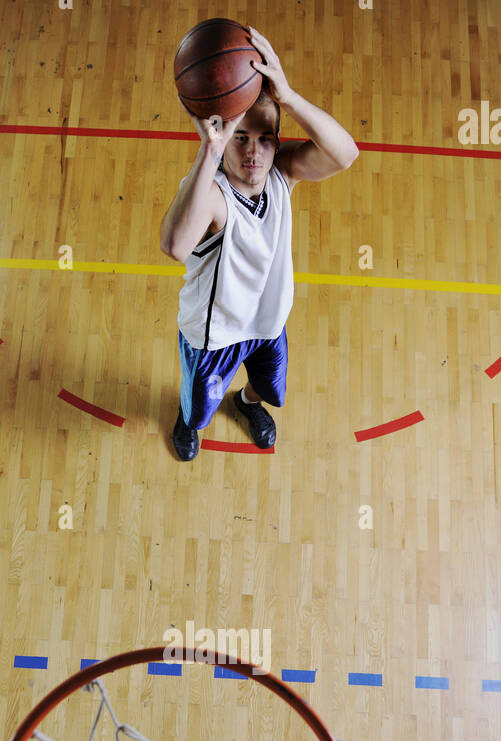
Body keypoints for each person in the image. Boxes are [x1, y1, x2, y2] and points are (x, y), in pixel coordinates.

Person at [160, 26, 358, 461]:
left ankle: (246, 403)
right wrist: (209, 150)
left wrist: (286, 96)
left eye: (265, 139)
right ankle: (188, 417)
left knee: (267, 388)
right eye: (241, 138)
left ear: (277, 143)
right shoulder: (210, 193)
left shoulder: (282, 176)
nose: (254, 152)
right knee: (199, 412)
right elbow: (174, 245)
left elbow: (346, 154)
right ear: (226, 139)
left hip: (267, 325)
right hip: (214, 335)